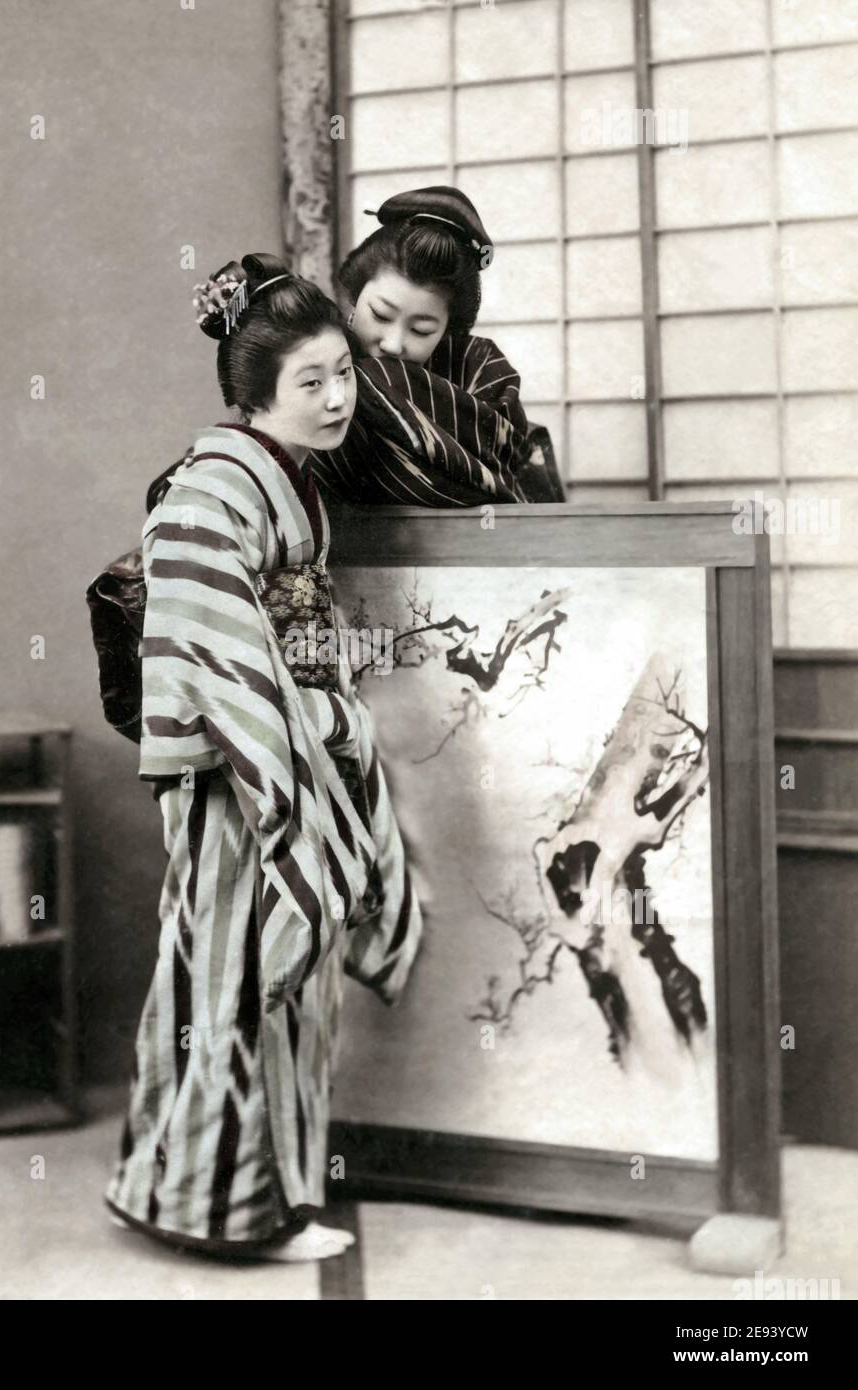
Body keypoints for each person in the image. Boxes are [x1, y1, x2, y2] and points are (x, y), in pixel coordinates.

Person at [104, 253, 423, 1262]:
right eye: (311, 383)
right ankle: (233, 1211)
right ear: (254, 395)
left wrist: (346, 686)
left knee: (234, 983)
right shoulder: (208, 495)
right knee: (245, 982)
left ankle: (172, 1184)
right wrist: (291, 758)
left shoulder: (280, 480)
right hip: (243, 772)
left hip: (285, 743)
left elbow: (297, 632)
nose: (337, 399)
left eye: (343, 373)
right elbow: (216, 650)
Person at [310, 185, 564, 506]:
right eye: (380, 314)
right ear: (356, 296)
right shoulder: (317, 354)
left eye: (421, 330)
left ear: (447, 330)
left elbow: (501, 469)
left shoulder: (479, 363)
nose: (393, 343)